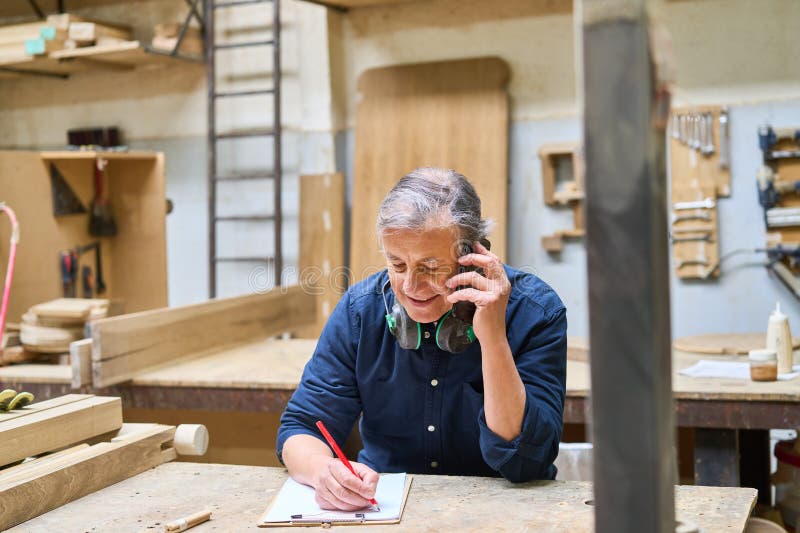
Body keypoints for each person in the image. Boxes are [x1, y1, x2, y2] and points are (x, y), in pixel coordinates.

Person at [277, 167, 567, 511]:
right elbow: (302, 427)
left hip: (505, 511)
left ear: (472, 260)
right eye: (398, 265)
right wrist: (323, 471)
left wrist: (493, 338)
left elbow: (525, 462)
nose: (411, 287)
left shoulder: (536, 312)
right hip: (385, 508)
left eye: (429, 267)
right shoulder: (360, 311)